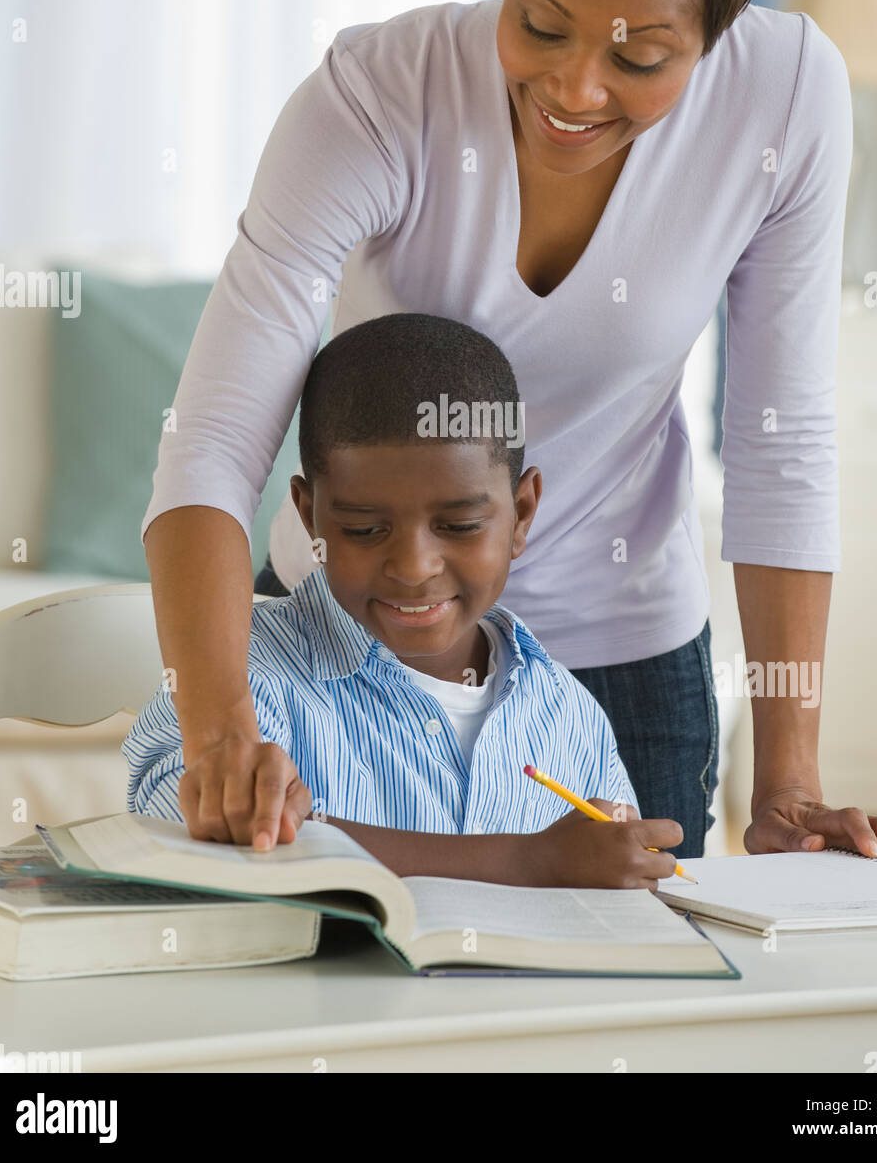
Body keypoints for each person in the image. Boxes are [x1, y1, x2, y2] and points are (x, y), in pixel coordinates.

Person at [140, 0, 877, 867]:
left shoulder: (786, 100)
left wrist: (787, 782)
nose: (573, 86)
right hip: (352, 638)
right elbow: (215, 443)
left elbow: (782, 439)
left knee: (618, 1014)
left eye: (641, 57)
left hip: (623, 649)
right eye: (541, 24)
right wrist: (221, 722)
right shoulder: (378, 99)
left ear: (717, 40)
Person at [124, 315, 681, 890]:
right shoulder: (233, 681)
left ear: (522, 513)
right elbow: (175, 838)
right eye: (365, 530)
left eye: (461, 525)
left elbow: (619, 882)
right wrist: (529, 863)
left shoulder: (567, 714)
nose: (414, 568)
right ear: (308, 514)